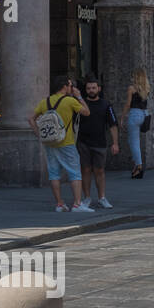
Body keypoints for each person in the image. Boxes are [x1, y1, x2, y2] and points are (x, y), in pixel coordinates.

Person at [29, 75, 92, 213]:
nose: (72, 88)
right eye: (70, 85)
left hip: (50, 142)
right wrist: (79, 97)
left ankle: (59, 204)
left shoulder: (45, 102)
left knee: (54, 174)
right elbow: (86, 112)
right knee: (75, 173)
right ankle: (77, 204)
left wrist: (39, 134)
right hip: (66, 142)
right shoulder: (70, 101)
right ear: (64, 86)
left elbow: (31, 119)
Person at [76, 76, 119, 209]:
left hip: (100, 142)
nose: (91, 90)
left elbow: (113, 125)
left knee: (99, 170)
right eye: (89, 88)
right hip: (83, 142)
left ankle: (102, 197)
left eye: (94, 87)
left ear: (99, 89)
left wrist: (115, 143)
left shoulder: (106, 105)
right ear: (86, 89)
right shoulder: (80, 104)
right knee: (86, 170)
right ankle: (87, 198)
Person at [123, 67, 150, 179]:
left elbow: (128, 104)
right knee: (133, 141)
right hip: (144, 114)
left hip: (134, 114)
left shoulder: (131, 88)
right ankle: (136, 165)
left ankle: (139, 167)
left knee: (134, 142)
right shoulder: (146, 88)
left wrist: (122, 116)